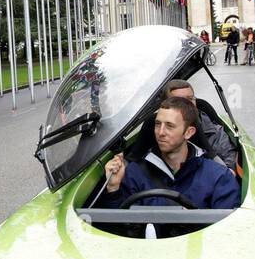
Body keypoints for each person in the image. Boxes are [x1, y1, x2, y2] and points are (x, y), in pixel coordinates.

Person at [96, 97, 241, 231]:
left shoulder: (218, 176)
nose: (161, 132)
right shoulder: (134, 173)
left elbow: (230, 231)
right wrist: (113, 188)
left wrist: (193, 221)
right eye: (158, 124)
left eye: (170, 126)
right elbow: (115, 232)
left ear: (188, 132)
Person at [163, 79, 238, 169]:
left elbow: (229, 158)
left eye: (190, 99)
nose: (187, 105)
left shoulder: (213, 130)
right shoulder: (158, 133)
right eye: (178, 101)